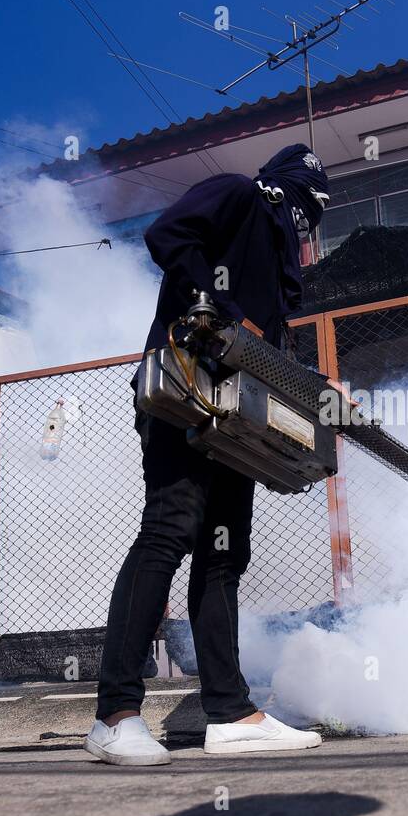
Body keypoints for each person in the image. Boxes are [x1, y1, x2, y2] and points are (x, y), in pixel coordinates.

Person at [85, 144, 330, 766]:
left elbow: (263, 348)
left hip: (234, 421)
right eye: (310, 205)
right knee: (169, 532)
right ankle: (114, 716)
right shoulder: (241, 194)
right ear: (289, 191)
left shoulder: (274, 268)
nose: (310, 224)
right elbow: (168, 234)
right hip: (184, 395)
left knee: (223, 557)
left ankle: (230, 712)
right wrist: (224, 311)